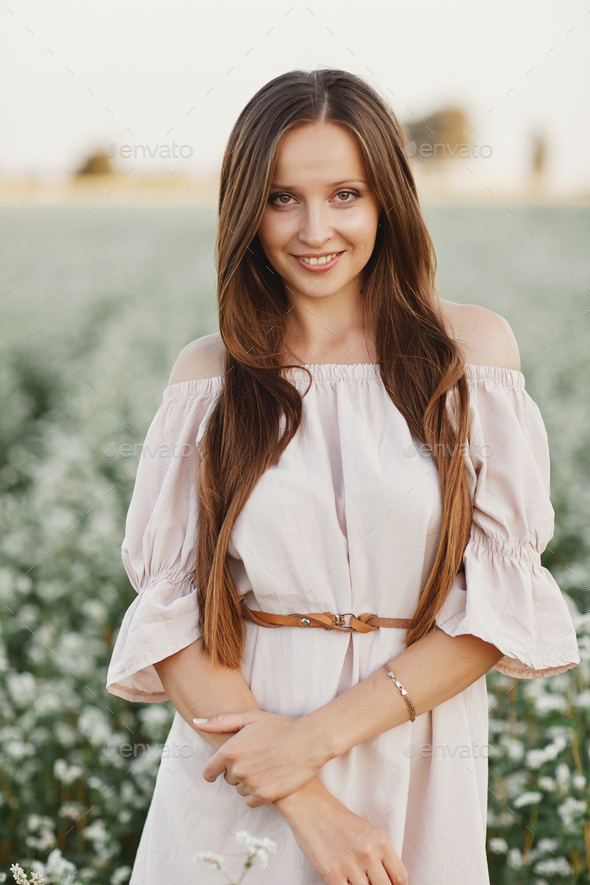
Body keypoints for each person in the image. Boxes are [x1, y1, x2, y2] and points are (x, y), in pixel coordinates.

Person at [105, 68, 580, 885]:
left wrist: (312, 746)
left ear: (387, 199)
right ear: (245, 209)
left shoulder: (471, 357)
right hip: (239, 769)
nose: (313, 227)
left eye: (345, 193)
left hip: (412, 754)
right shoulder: (208, 375)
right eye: (282, 196)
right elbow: (173, 611)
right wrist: (307, 801)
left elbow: (496, 603)